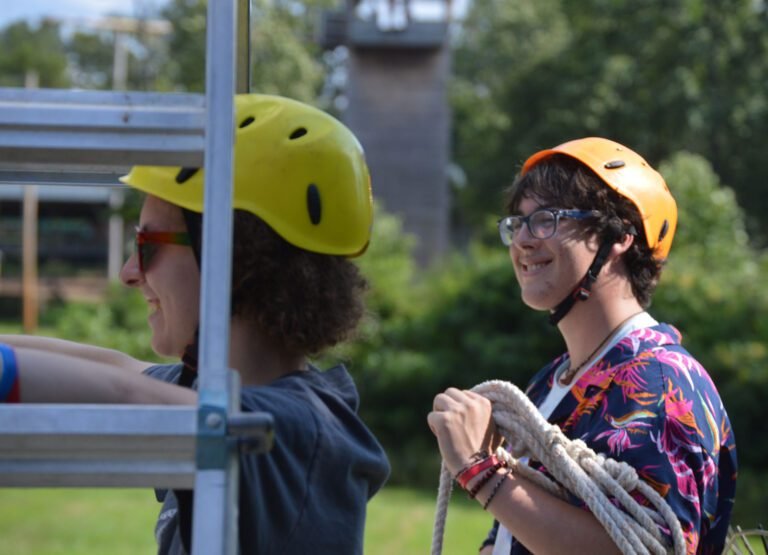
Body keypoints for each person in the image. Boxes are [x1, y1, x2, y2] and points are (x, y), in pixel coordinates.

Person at [0, 94, 390, 554]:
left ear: (235, 254)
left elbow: (132, 395)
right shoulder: (223, 390)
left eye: (147, 243)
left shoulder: (299, 433)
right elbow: (121, 371)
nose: (129, 271)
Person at [427, 137, 736, 555]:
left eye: (547, 219)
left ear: (620, 236)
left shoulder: (661, 383)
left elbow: (643, 548)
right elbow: (518, 535)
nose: (523, 241)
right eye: (518, 223)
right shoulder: (552, 382)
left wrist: (482, 473)